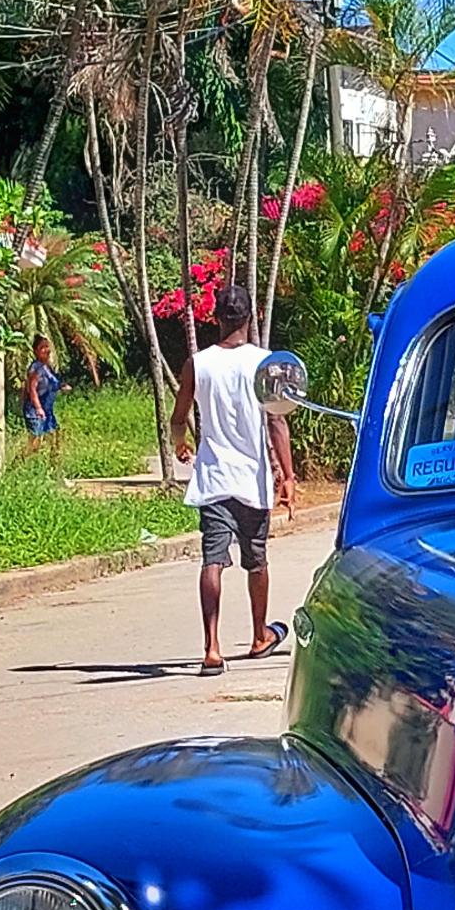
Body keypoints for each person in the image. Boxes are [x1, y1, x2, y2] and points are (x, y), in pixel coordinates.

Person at [170, 284, 297, 678]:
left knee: (213, 561)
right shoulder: (265, 364)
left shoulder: (198, 363)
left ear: (216, 317)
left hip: (213, 477)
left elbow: (178, 418)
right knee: (256, 561)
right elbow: (276, 420)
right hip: (251, 479)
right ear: (251, 316)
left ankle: (212, 648)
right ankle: (260, 636)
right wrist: (288, 476)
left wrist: (181, 444)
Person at [20, 335, 66, 461]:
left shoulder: (46, 367)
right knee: (35, 443)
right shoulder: (36, 368)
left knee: (55, 438)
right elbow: (32, 389)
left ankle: (55, 469)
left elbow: (50, 385)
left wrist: (61, 386)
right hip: (36, 410)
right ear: (35, 351)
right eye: (42, 347)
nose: (47, 350)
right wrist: (38, 408)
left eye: (47, 346)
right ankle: (16, 465)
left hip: (47, 410)